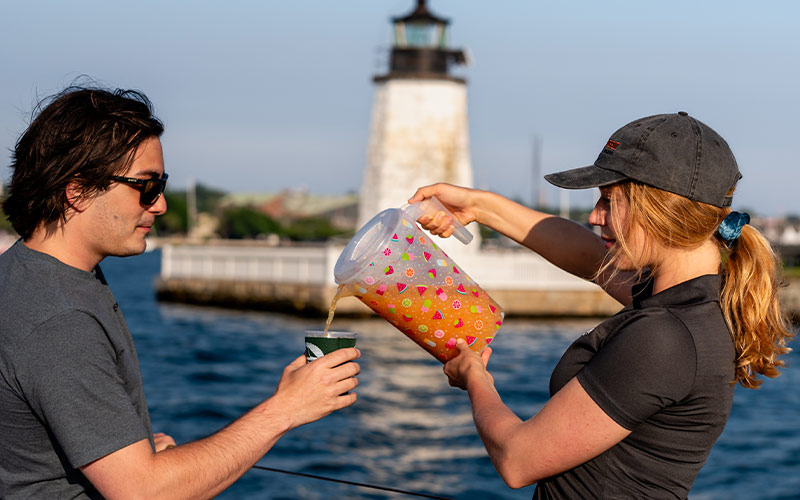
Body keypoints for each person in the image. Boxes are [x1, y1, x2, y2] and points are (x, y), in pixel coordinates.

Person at [0, 85, 361, 499]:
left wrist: (130, 451)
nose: (160, 205)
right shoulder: (61, 321)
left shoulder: (20, 275)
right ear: (77, 191)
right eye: (146, 186)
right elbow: (144, 492)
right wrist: (285, 410)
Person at [409, 112, 794, 498]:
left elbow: (517, 460)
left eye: (609, 201)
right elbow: (590, 258)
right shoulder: (694, 302)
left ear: (659, 209)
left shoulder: (666, 336)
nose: (595, 216)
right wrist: (479, 206)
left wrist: (476, 378)